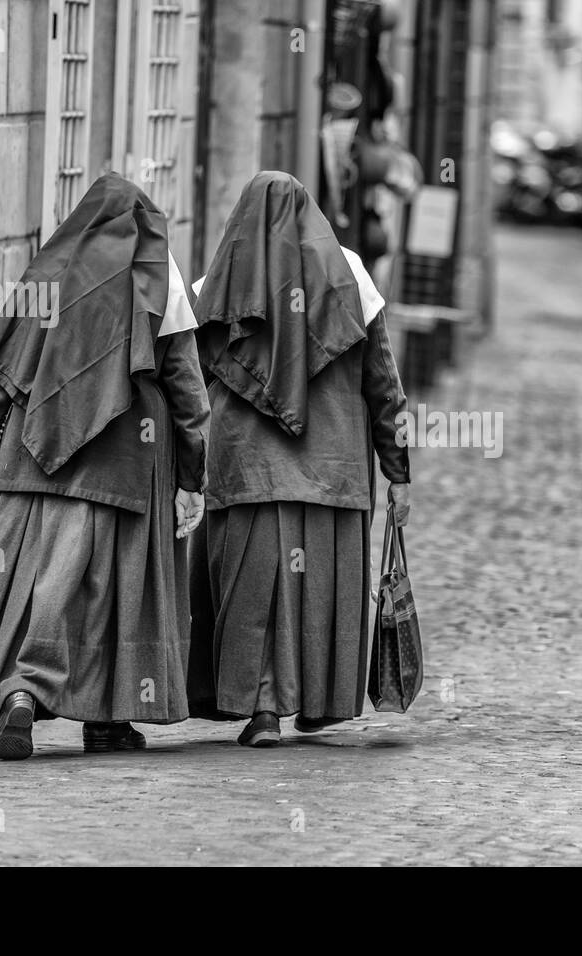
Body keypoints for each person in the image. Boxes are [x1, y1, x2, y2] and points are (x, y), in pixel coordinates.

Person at [0, 173, 211, 760]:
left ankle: (20, 695)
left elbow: (4, 380)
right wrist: (191, 479)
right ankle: (107, 718)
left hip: (32, 459)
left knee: (30, 582)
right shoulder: (157, 277)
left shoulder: (49, 268)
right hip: (124, 467)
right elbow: (188, 388)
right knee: (115, 593)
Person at [187, 171, 411, 748]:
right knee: (321, 594)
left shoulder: (214, 286)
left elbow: (187, 385)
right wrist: (398, 473)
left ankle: (263, 709)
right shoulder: (353, 277)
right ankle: (320, 704)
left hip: (246, 473)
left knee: (255, 594)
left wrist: (183, 469)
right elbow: (384, 384)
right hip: (333, 473)